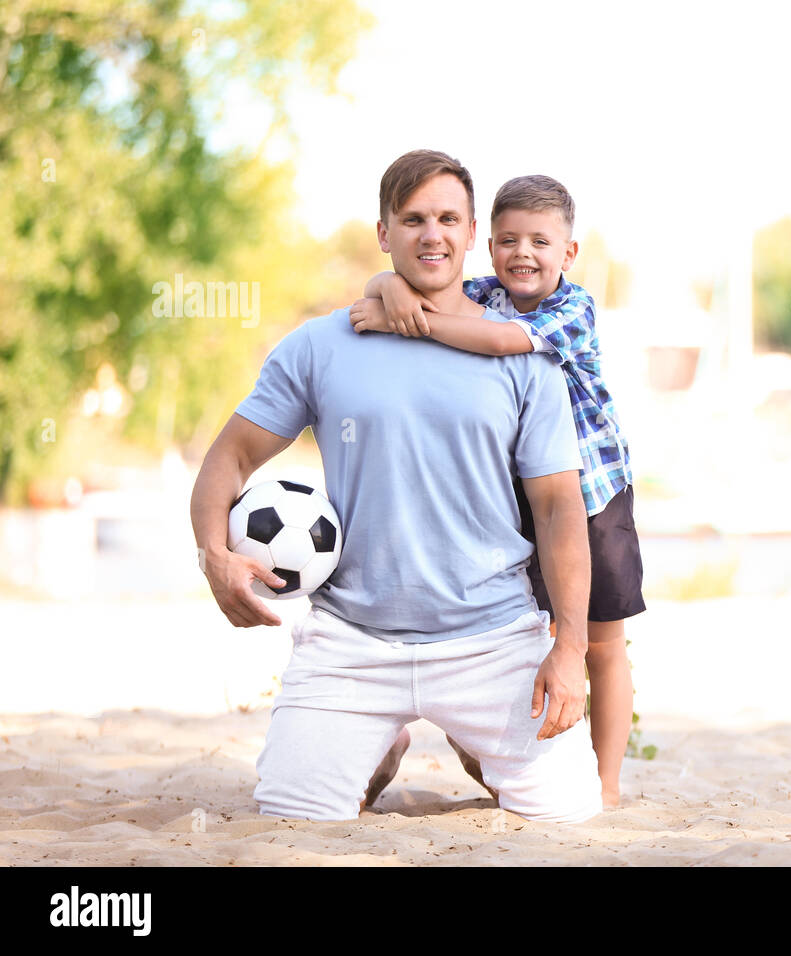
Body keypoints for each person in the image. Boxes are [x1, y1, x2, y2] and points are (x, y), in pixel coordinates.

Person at [189, 149, 603, 824]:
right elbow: (228, 460)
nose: (431, 234)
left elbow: (559, 509)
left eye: (447, 218)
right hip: (352, 640)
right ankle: (380, 742)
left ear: (473, 233)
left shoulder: (524, 353)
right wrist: (214, 554)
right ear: (384, 233)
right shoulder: (322, 345)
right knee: (292, 820)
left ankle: (478, 746)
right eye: (412, 219)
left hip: (493, 640)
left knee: (567, 819)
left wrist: (571, 648)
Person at [349, 174, 644, 808]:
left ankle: (609, 781)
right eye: (508, 239)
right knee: (527, 632)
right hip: (518, 499)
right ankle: (518, 756)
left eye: (541, 240)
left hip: (591, 497)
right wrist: (389, 286)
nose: (523, 254)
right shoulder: (484, 293)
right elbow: (407, 283)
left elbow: (503, 342)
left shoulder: (572, 309)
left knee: (601, 643)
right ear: (489, 248)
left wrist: (410, 322)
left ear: (569, 253)